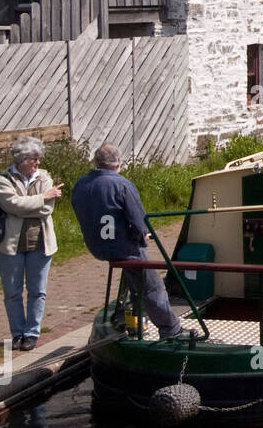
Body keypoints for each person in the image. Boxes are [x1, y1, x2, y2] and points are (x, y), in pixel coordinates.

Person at [71, 143, 183, 339]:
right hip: (121, 247)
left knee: (135, 277)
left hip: (95, 245)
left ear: (96, 162)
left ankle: (133, 318)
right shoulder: (122, 184)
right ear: (119, 162)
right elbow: (139, 221)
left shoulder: (81, 184)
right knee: (153, 285)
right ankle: (171, 329)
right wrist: (144, 235)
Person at [0, 136, 62, 351]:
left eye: (39, 158)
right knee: (12, 292)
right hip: (9, 246)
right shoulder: (3, 180)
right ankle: (17, 333)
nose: (38, 163)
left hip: (41, 244)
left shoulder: (45, 178)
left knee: (37, 291)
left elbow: (46, 209)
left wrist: (31, 203)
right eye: (34, 158)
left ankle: (31, 333)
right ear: (21, 159)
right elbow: (12, 205)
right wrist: (43, 197)